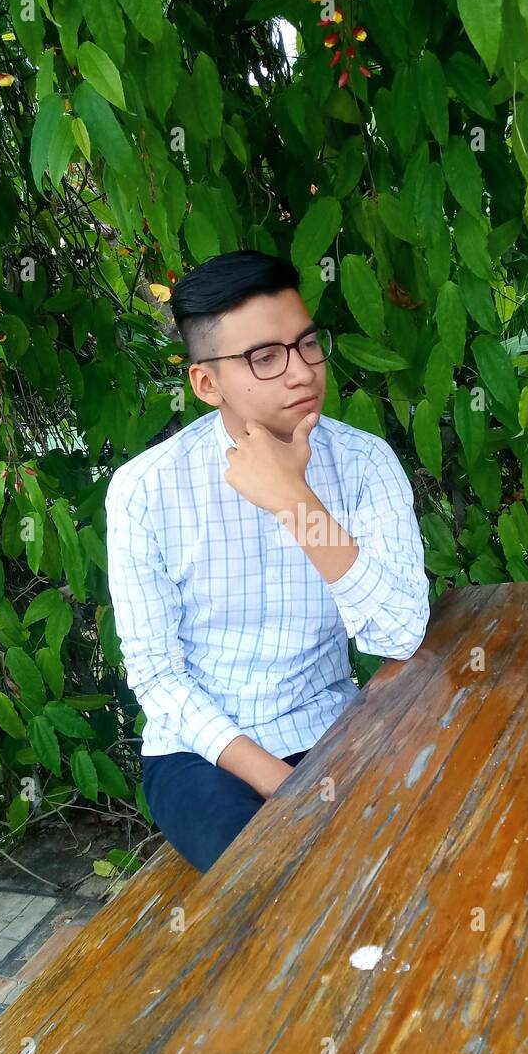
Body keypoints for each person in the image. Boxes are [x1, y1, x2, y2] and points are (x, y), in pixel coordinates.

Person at [105, 249, 430, 873]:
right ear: (207, 383)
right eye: (264, 357)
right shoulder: (145, 490)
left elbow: (400, 634)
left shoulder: (363, 465)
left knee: (411, 856)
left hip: (330, 721)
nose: (301, 372)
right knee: (276, 884)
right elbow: (157, 679)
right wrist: (283, 785)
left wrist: (295, 503)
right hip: (203, 753)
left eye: (308, 345)